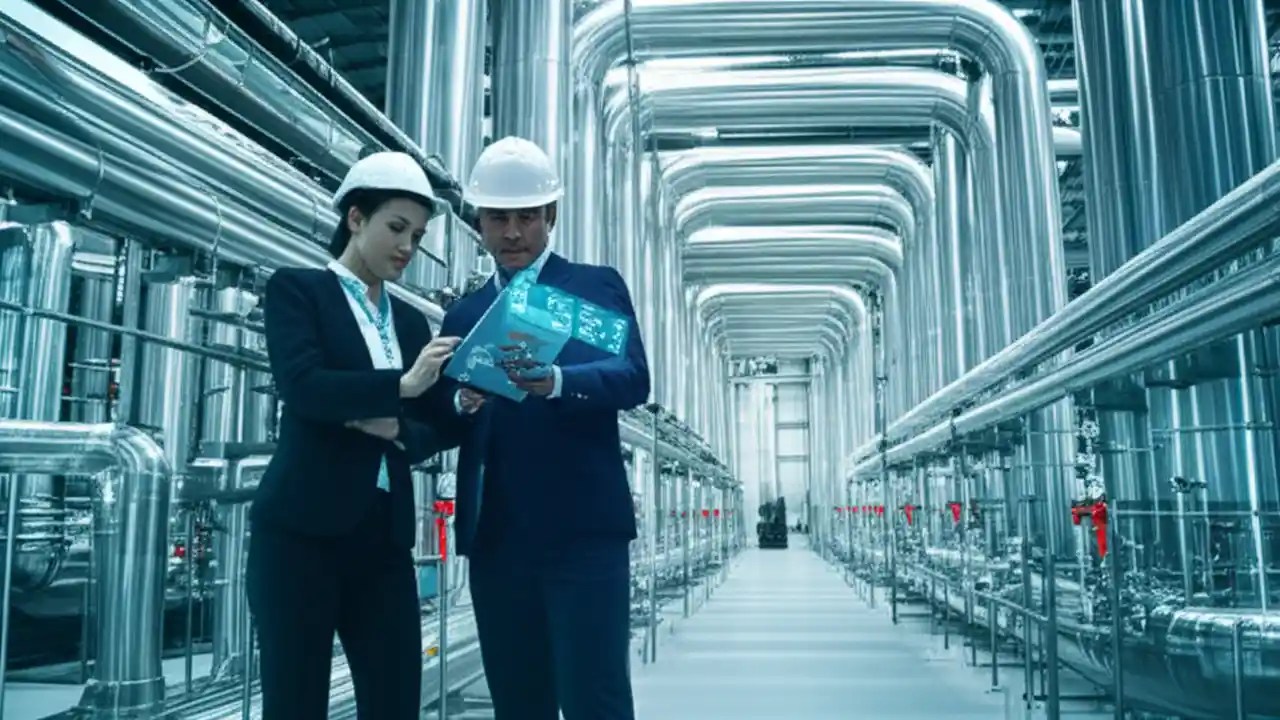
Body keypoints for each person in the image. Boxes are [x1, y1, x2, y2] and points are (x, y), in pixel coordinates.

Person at [432, 136, 651, 720]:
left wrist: (556, 381)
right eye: (497, 217)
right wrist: (461, 403)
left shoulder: (590, 291)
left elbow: (632, 378)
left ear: (550, 216)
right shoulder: (464, 314)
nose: (511, 232)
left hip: (584, 535)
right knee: (518, 701)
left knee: (594, 697)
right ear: (478, 220)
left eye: (526, 217)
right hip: (498, 539)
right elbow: (446, 418)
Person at [247, 151, 460, 719]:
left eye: (416, 237)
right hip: (299, 537)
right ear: (355, 218)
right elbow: (304, 387)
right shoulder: (298, 292)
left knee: (395, 702)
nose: (406, 248)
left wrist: (401, 425)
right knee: (297, 703)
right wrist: (403, 385)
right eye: (396, 228)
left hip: (384, 541)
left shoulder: (412, 322)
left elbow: (434, 423)